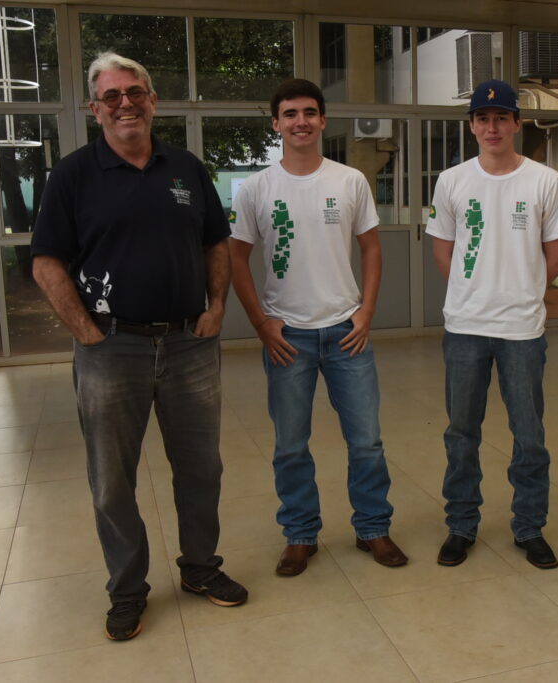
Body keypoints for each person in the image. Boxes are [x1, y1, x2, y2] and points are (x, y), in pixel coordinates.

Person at [31, 52, 247, 641]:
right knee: (112, 480)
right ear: (95, 108)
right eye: (112, 96)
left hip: (189, 346)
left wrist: (217, 306)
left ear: (152, 100)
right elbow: (46, 263)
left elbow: (216, 243)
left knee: (201, 469)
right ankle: (127, 590)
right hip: (110, 350)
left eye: (136, 92)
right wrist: (86, 333)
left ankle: (202, 569)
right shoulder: (73, 176)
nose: (125, 103)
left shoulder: (186, 168)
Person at [229, 78, 407, 577]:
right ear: (276, 123)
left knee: (367, 441)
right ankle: (300, 534)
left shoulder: (349, 181)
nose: (300, 121)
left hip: (346, 332)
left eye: (309, 112)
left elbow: (371, 247)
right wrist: (261, 323)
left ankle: (373, 527)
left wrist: (367, 310)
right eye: (290, 114)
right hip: (289, 340)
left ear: (323, 120)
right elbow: (236, 257)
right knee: (290, 444)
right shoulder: (258, 188)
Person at [426, 79, 558, 569]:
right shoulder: (452, 181)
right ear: (472, 127)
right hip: (465, 326)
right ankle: (461, 525)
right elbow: (443, 248)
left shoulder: (543, 181)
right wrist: (474, 287)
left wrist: (522, 286)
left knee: (529, 435)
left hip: (522, 330)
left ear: (516, 123)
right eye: (483, 119)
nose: (492, 127)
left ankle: (529, 527)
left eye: (502, 118)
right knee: (461, 432)